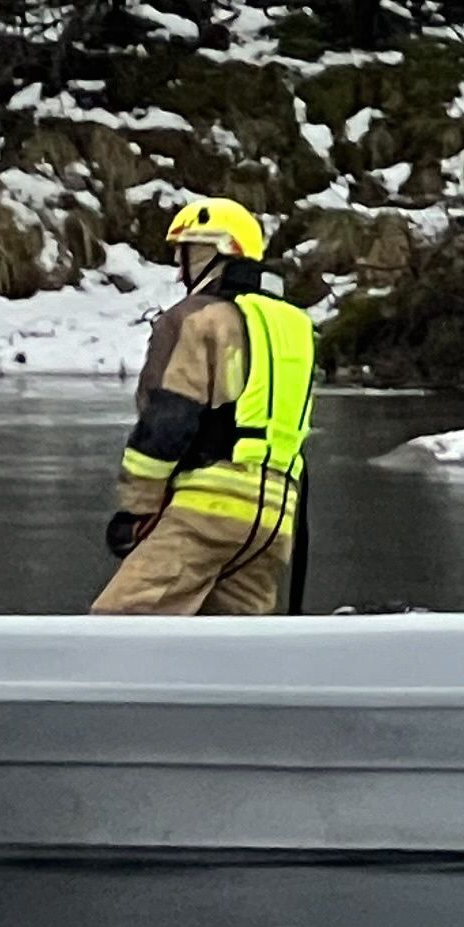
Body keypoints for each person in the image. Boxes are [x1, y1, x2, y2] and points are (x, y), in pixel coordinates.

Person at [95, 196, 314, 617]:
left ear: (220, 252)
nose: (181, 270)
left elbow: (167, 422)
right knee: (231, 655)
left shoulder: (199, 319)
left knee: (117, 629)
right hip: (273, 523)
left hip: (206, 512)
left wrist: (136, 509)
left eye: (190, 253)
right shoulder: (295, 327)